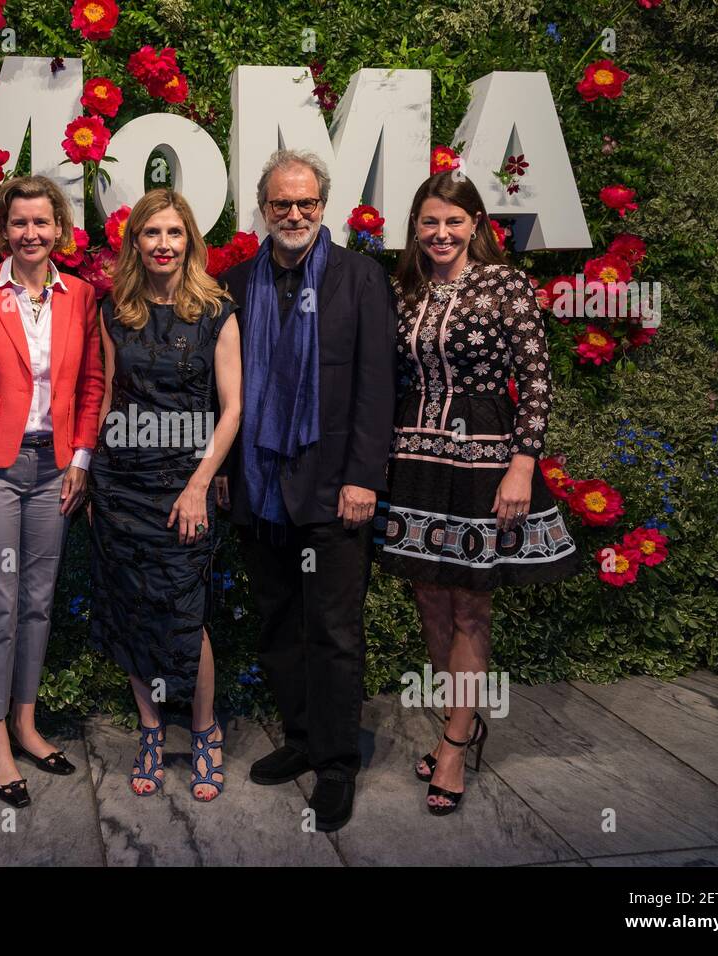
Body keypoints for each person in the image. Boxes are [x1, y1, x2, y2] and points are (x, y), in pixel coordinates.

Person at [380, 172, 580, 815]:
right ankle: (454, 724)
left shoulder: (505, 285)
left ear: (476, 226)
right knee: (430, 600)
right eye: (430, 222)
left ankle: (456, 744)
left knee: (471, 606)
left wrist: (523, 464)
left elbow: (538, 379)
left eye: (454, 222)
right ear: (417, 227)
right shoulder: (404, 289)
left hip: (484, 460)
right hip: (414, 458)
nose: (442, 234)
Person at [219, 149, 398, 831]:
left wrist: (363, 478)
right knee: (277, 624)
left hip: (334, 491)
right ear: (261, 209)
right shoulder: (235, 283)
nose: (294, 214)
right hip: (260, 490)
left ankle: (336, 762)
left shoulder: (360, 279)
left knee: (332, 630)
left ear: (325, 206)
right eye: (280, 204)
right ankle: (299, 737)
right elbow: (221, 391)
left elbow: (377, 387)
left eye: (307, 203)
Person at [0, 175, 105, 808]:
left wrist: (83, 460)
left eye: (42, 223)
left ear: (60, 230)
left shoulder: (82, 297)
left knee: (39, 601)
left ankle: (27, 722)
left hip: (55, 469)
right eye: (19, 224)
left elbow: (92, 385)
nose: (31, 234)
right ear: (2, 231)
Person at [88, 188, 242, 801]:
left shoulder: (217, 311)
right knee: (129, 610)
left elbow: (231, 411)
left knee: (186, 613)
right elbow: (106, 398)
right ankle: (151, 731)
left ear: (190, 242)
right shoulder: (114, 309)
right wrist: (97, 473)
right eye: (151, 234)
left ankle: (204, 733)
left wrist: (200, 484)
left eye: (174, 233)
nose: (163, 245)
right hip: (120, 481)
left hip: (185, 483)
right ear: (135, 244)